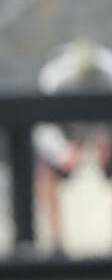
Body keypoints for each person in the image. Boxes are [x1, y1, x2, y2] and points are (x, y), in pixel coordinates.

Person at [32, 38, 112, 258]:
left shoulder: (109, 73)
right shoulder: (54, 78)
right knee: (45, 173)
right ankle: (57, 245)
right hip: (67, 134)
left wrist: (108, 141)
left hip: (101, 132)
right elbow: (42, 128)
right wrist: (62, 152)